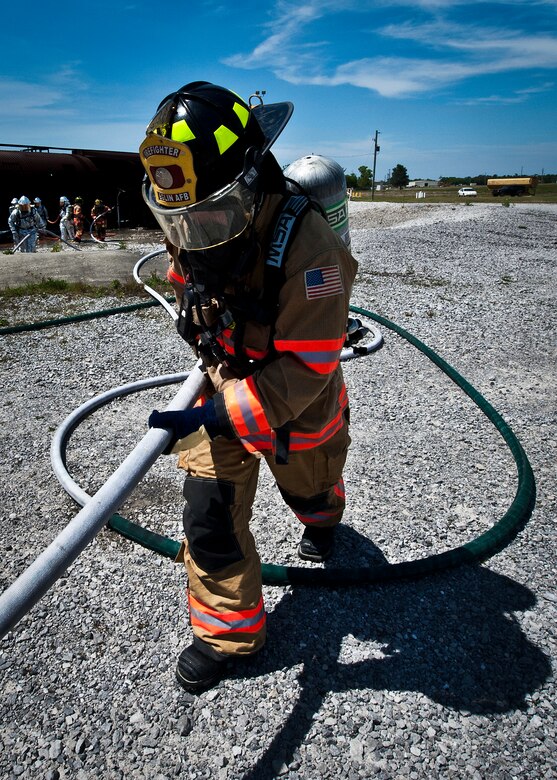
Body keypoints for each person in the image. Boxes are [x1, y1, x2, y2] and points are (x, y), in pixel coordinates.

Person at [140, 81, 357, 692]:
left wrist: (219, 414)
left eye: (211, 212)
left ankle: (323, 519)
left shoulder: (312, 250)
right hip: (228, 380)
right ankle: (227, 635)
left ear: (253, 180)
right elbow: (188, 272)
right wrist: (198, 322)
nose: (194, 231)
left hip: (300, 407)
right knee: (208, 512)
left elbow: (310, 364)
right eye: (180, 220)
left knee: (310, 488)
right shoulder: (195, 216)